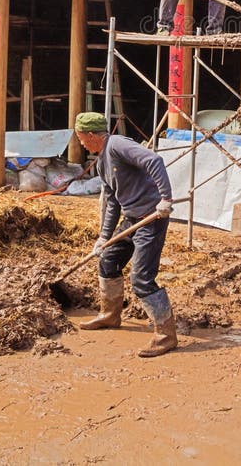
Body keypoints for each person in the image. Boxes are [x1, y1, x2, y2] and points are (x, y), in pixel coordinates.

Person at [74, 111, 177, 358]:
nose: (81, 144)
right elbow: (112, 201)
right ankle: (110, 315)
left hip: (151, 219)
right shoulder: (101, 162)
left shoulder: (117, 145)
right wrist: (104, 237)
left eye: (81, 138)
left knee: (141, 279)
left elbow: (154, 161)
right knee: (108, 260)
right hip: (131, 219)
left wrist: (165, 198)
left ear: (91, 135)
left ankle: (166, 336)